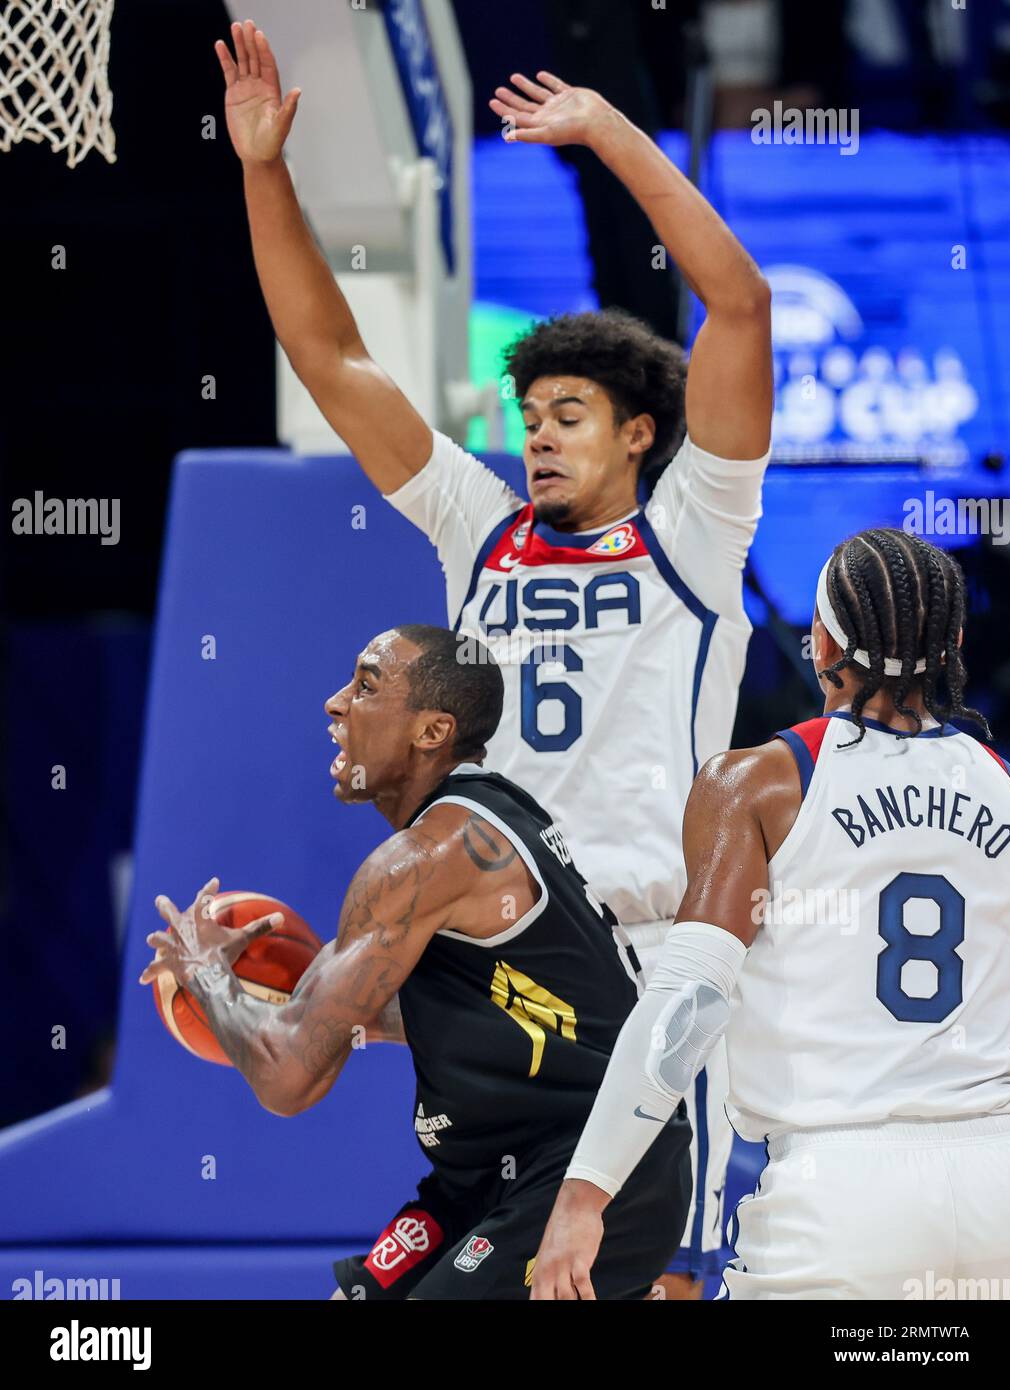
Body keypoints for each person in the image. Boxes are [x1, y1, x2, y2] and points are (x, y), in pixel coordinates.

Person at [215, 19, 772, 1294]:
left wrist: (603, 133)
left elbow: (736, 302)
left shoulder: (693, 531)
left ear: (642, 432)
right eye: (527, 418)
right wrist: (262, 170)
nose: (537, 438)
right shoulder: (481, 533)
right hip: (496, 951)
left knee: (653, 1283)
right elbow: (330, 355)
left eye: (568, 416)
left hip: (642, 959)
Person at [529, 528, 1010, 1300]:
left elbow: (687, 1002)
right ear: (953, 643)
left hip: (841, 1195)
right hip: (1004, 1190)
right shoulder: (1005, 787)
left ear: (820, 639)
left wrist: (585, 1191)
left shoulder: (757, 782)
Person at [139, 625, 689, 1301]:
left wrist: (206, 975)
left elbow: (287, 1082)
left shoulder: (431, 855)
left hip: (587, 1167)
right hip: (485, 1175)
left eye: (366, 686)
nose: (335, 704)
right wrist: (333, 1010)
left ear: (431, 731)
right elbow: (506, 1003)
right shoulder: (483, 817)